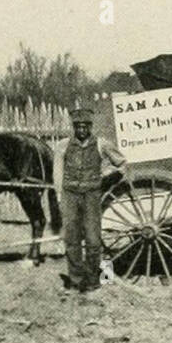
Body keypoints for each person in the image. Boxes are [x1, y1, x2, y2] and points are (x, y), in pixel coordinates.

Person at [54, 106, 127, 294]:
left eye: (85, 126)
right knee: (72, 239)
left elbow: (121, 163)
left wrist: (104, 174)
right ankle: (76, 281)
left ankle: (93, 280)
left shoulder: (101, 144)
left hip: (91, 196)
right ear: (73, 127)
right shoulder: (63, 145)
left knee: (93, 240)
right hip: (70, 195)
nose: (81, 131)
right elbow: (58, 172)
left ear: (90, 127)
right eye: (77, 127)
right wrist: (59, 195)